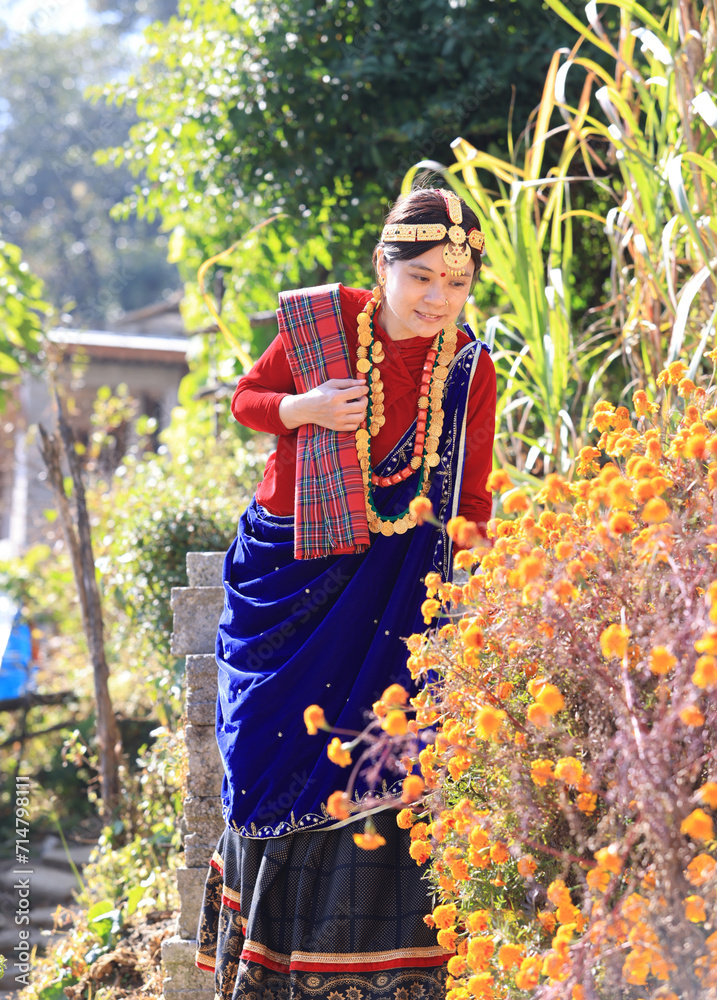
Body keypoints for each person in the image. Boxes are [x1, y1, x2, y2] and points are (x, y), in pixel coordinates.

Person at [195, 186, 497, 1000]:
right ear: (383, 267)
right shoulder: (323, 326)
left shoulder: (466, 367)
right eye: (422, 278)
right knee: (265, 750)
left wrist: (472, 589)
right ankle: (267, 966)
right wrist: (304, 407)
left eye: (456, 283)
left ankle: (380, 972)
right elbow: (244, 400)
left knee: (383, 749)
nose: (438, 299)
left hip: (395, 590)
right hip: (288, 580)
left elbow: (471, 497)